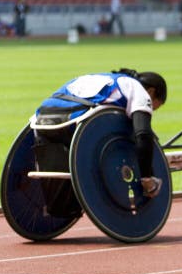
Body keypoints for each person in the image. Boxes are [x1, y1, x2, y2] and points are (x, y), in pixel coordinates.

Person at [32, 68, 168, 216]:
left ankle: (58, 206)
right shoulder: (139, 90)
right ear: (152, 92)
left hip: (41, 119)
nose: (152, 110)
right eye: (156, 106)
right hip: (74, 123)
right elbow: (143, 134)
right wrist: (146, 177)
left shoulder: (104, 77)